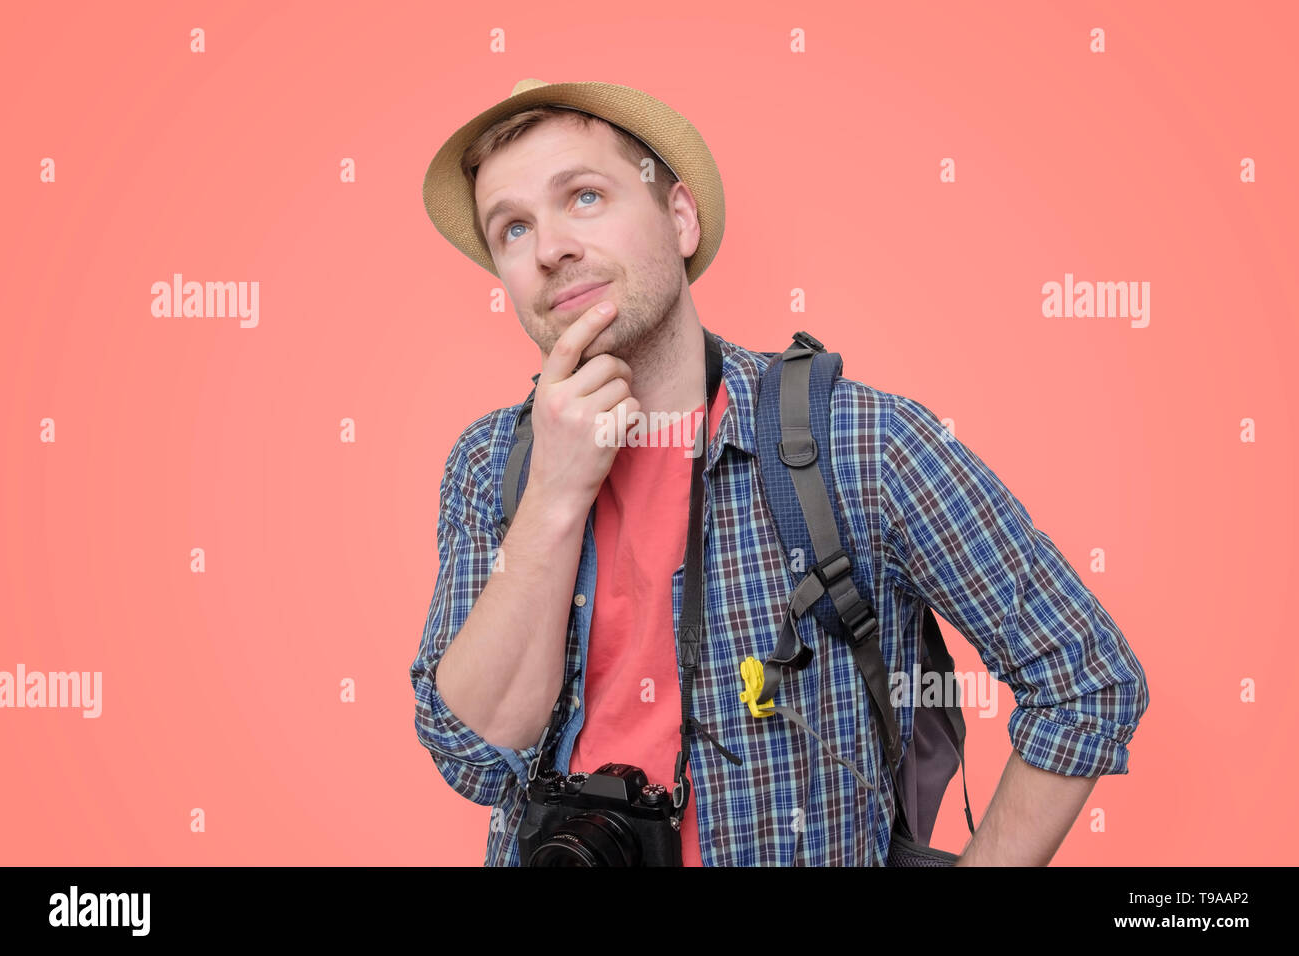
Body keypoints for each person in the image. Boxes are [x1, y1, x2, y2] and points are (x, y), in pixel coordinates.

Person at [410, 79, 1150, 866]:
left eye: (585, 196)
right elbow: (473, 756)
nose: (550, 247)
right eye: (513, 228)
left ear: (680, 217)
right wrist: (556, 493)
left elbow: (1086, 676)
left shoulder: (858, 442)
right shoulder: (493, 464)